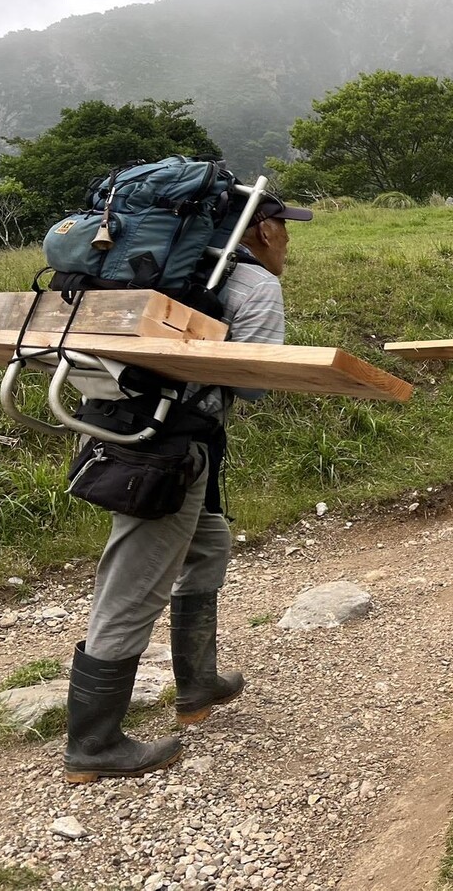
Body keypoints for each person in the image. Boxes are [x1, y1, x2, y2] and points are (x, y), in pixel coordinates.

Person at [64, 193, 313, 784]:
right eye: (282, 227)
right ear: (257, 230)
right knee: (135, 583)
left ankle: (197, 683)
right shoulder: (251, 285)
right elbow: (253, 384)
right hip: (171, 451)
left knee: (208, 543)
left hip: (113, 428)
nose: (288, 239)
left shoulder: (150, 272)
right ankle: (93, 743)